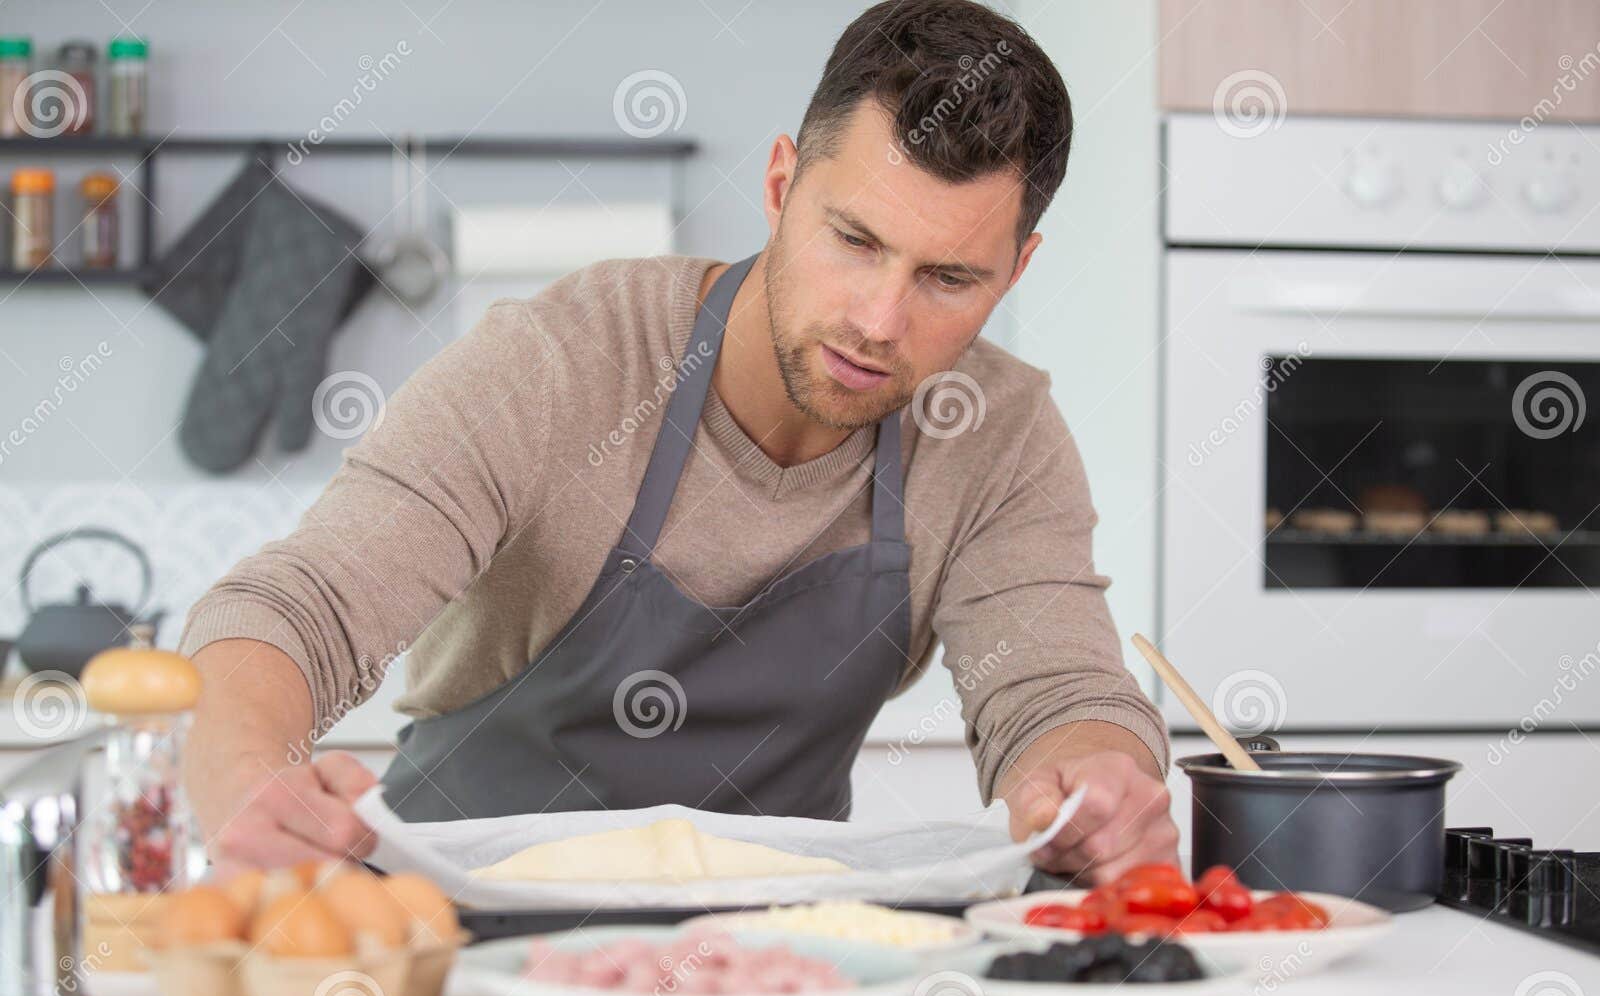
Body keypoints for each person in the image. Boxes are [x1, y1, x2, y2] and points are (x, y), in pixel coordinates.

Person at [178, 0, 1177, 883]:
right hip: (456, 960)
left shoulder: (994, 435)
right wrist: (248, 778)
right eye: (856, 241)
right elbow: (294, 606)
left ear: (1013, 271)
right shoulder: (561, 364)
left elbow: (1056, 693)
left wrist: (1095, 776)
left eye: (947, 278)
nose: (880, 318)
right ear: (782, 184)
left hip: (779, 972)